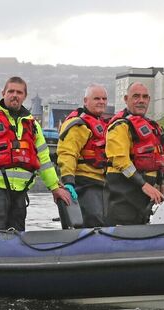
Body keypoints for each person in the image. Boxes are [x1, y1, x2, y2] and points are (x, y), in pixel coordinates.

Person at [0, 76, 71, 232]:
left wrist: (54, 187)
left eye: (19, 92)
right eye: (11, 91)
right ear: (3, 93)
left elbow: (44, 160)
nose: (15, 95)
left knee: (17, 235)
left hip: (20, 192)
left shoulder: (33, 125)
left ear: (25, 96)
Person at [104, 82, 164, 225]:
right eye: (136, 96)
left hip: (145, 195)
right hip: (124, 193)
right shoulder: (120, 126)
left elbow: (157, 159)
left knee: (141, 225)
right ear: (126, 99)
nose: (141, 100)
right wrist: (144, 185)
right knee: (124, 227)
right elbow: (121, 161)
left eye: (145, 97)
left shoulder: (150, 126)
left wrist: (162, 184)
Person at [56, 83, 109, 227]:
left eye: (104, 99)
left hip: (101, 184)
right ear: (86, 101)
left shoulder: (102, 124)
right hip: (84, 184)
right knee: (92, 221)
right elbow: (67, 153)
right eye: (97, 98)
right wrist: (68, 181)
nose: (101, 102)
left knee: (104, 222)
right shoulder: (78, 124)